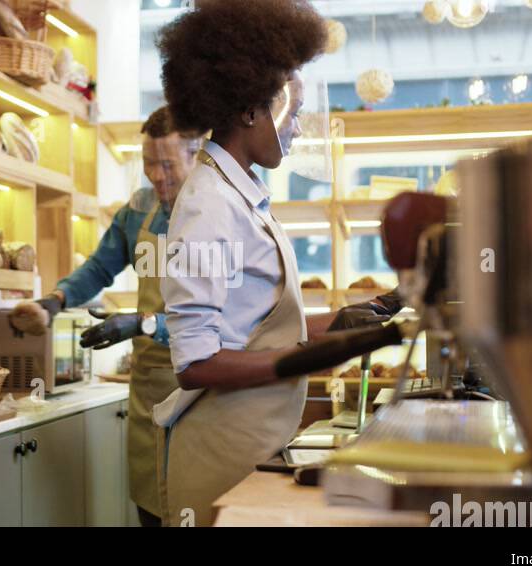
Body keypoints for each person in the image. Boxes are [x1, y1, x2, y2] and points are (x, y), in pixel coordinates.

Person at [154, 0, 400, 527]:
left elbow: (257, 330)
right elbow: (195, 362)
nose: (298, 130)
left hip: (253, 443)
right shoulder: (207, 205)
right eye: (291, 112)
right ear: (248, 109)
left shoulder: (240, 196)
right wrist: (308, 354)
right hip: (220, 456)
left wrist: (358, 316)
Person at [15, 107, 200, 527]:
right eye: (149, 163)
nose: (156, 175)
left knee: (196, 504)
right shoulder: (139, 211)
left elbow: (224, 316)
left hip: (203, 388)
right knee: (151, 505)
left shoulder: (217, 214)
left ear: (197, 156)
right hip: (150, 386)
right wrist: (55, 300)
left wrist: (142, 322)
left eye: (167, 164)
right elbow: (100, 268)